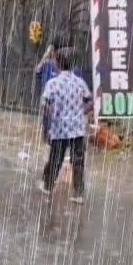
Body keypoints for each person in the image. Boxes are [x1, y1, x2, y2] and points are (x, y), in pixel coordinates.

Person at [40, 47, 92, 203]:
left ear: (58, 63)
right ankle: (78, 193)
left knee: (55, 158)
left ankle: (48, 187)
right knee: (78, 161)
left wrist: (53, 116)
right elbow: (90, 101)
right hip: (77, 128)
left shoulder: (53, 83)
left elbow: (46, 104)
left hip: (59, 128)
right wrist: (80, 112)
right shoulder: (80, 82)